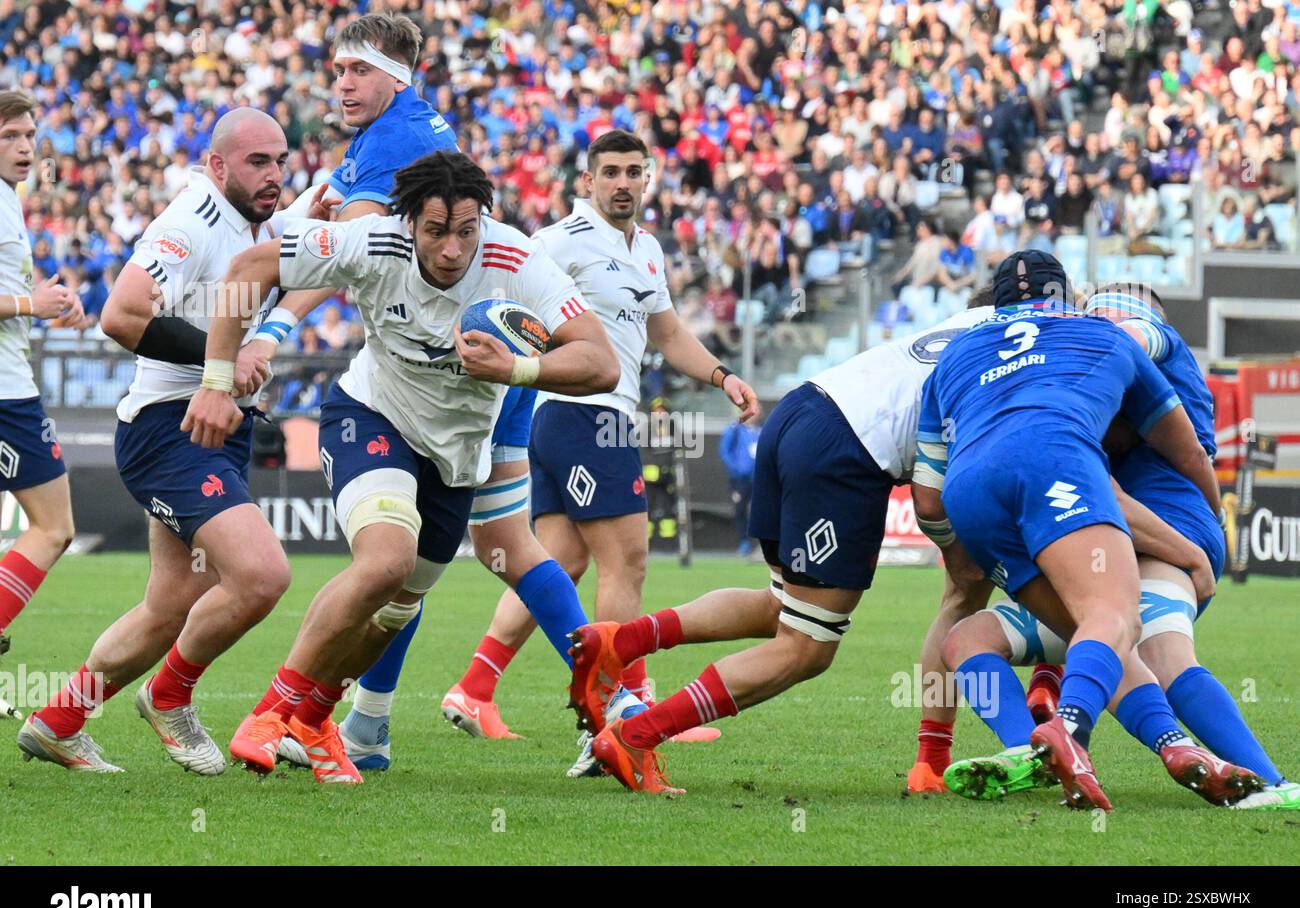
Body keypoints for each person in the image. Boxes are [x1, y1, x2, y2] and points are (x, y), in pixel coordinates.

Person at [184, 150, 619, 784]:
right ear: (409, 222)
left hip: (458, 458)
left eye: (465, 231)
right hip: (372, 416)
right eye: (436, 231)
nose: (451, 249)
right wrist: (219, 380)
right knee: (385, 562)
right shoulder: (370, 241)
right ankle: (271, 713)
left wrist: (517, 369)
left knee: (396, 609)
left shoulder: (515, 258)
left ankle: (315, 720)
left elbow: (600, 363)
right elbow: (251, 264)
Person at [432, 131, 760, 776]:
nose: (621, 183)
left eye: (633, 172)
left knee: (558, 564)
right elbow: (495, 286)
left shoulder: (647, 251)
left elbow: (666, 333)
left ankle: (474, 688)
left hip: (572, 421)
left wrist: (722, 377)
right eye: (609, 172)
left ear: (647, 180)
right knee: (627, 564)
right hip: (585, 415)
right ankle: (630, 707)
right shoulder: (559, 241)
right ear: (587, 181)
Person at [566, 305, 997, 793]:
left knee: (779, 605)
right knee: (807, 648)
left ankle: (619, 643)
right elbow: (928, 501)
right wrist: (962, 558)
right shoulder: (1027, 354)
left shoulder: (981, 317)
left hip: (800, 408)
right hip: (848, 449)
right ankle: (636, 736)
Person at [943, 284, 1295, 810]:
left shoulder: (1151, 338)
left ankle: (1275, 785)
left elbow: (1131, 336)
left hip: (1166, 533)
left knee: (1162, 655)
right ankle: (1036, 753)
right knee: (967, 640)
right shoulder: (1089, 388)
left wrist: (1202, 546)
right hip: (1104, 533)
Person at [19, 108, 296, 775]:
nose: (274, 175)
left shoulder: (264, 223)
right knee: (261, 576)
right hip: (169, 429)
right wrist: (224, 363)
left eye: (282, 161)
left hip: (219, 429)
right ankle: (169, 697)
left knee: (168, 608)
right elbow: (121, 314)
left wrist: (262, 342)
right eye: (259, 162)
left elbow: (310, 269)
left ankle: (58, 721)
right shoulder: (190, 223)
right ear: (217, 165)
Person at [909, 251, 1222, 811]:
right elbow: (1189, 455)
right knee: (1114, 616)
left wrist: (959, 562)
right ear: (1067, 294)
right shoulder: (1097, 333)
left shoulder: (955, 354)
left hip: (968, 490)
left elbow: (928, 497)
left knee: (1003, 636)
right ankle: (1068, 730)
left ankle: (1128, 745)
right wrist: (1205, 538)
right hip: (1055, 464)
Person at [0, 91, 88, 723]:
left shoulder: (9, 200)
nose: (27, 147)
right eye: (11, 135)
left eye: (31, 134)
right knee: (53, 526)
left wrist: (43, 297)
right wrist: (34, 306)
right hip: (5, 393)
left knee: (51, 527)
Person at [719, 410, 761, 556]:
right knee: (740, 510)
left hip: (758, 479)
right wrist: (736, 470)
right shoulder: (735, 430)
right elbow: (725, 452)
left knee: (760, 510)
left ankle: (760, 545)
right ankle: (744, 542)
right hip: (740, 480)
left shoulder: (761, 431)